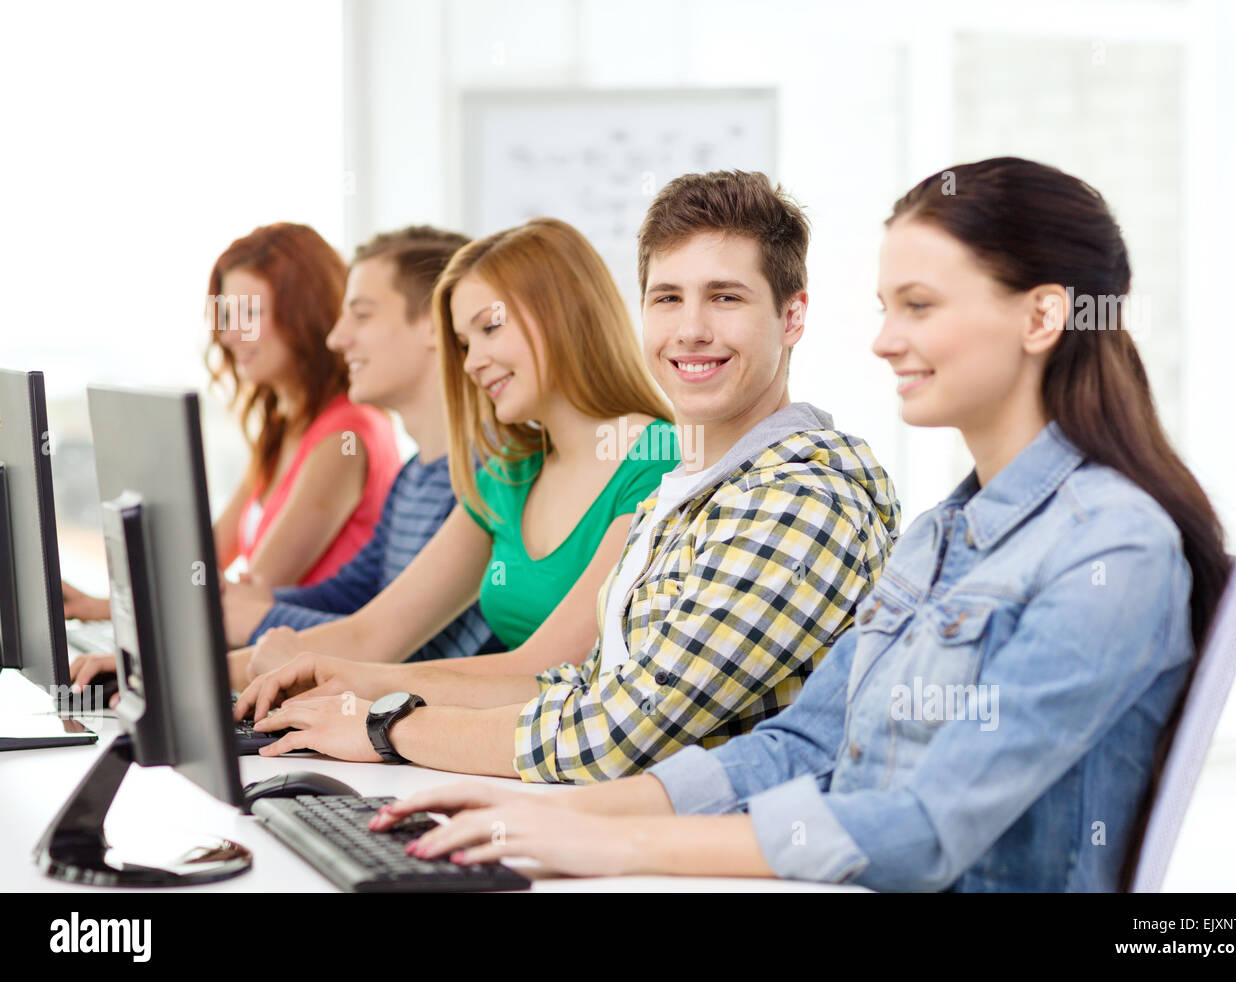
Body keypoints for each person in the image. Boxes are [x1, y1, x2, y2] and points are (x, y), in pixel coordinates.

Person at [366, 157, 1231, 893]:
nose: (885, 341)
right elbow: (802, 745)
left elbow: (925, 829)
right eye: (887, 307)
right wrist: (545, 815)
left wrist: (605, 840)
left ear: (1043, 317)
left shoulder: (1112, 547)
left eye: (919, 307)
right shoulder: (944, 533)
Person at [234, 171, 901, 783]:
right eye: (667, 298)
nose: (691, 328)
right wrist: (350, 684)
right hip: (619, 822)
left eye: (725, 297)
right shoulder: (685, 494)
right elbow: (577, 685)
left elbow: (618, 729)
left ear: (793, 317)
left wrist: (386, 718)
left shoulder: (797, 496)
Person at [223, 217, 681, 691]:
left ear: (561, 313)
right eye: (464, 342)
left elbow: (542, 667)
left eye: (490, 328)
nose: (471, 362)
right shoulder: (509, 476)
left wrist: (338, 675)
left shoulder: (663, 462)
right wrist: (189, 680)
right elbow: (372, 634)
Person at [63, 222, 402, 629]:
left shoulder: (345, 438)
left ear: (305, 311)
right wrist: (108, 603)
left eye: (250, 313)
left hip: (304, 673)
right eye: (226, 315)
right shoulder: (284, 427)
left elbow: (245, 597)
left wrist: (110, 612)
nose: (229, 334)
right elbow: (203, 562)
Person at [217, 226, 496, 662]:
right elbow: (353, 595)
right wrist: (256, 608)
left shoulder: (490, 479)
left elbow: (411, 652)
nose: (337, 338)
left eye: (361, 315)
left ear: (434, 324)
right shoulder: (414, 477)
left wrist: (257, 619)